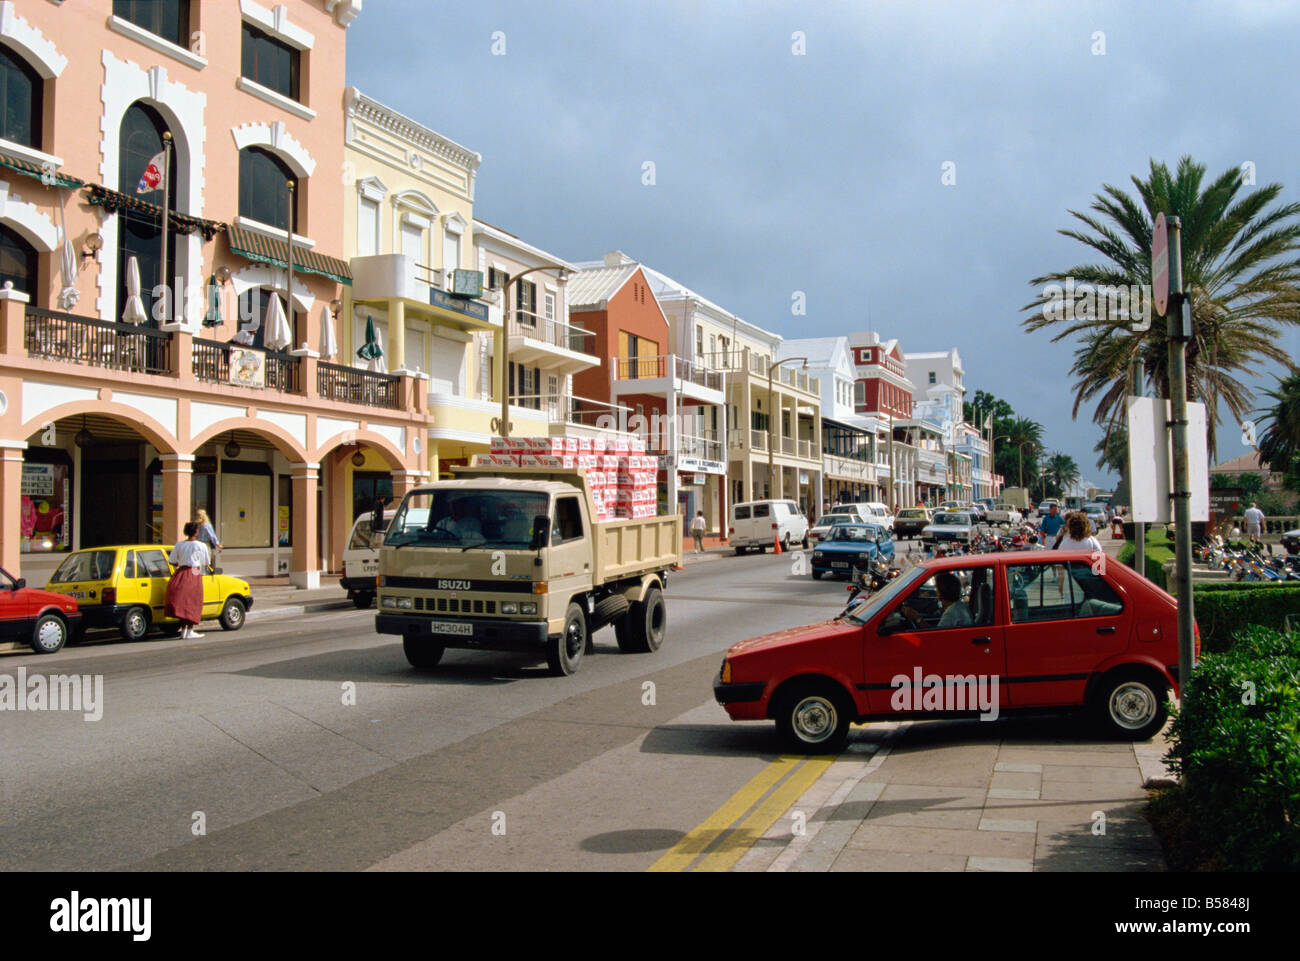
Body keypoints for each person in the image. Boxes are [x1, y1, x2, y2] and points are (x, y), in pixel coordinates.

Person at [166, 522, 211, 639]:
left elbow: (172, 561)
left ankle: (183, 630)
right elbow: (205, 562)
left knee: (182, 602)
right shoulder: (201, 546)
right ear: (196, 531)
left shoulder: (179, 545)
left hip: (180, 572)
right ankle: (190, 630)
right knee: (193, 601)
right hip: (194, 572)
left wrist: (183, 561)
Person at [901, 571, 972, 629]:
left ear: (943, 591)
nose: (936, 592)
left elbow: (935, 635)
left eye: (937, 589)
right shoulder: (960, 606)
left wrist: (917, 618)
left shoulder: (951, 613)